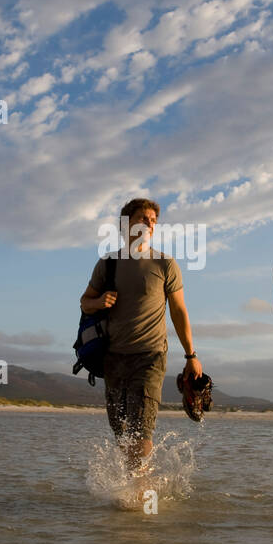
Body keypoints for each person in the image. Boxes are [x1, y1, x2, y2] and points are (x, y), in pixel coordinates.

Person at [81, 198, 201, 471]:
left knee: (142, 428)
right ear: (126, 224)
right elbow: (85, 302)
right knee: (122, 431)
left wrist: (191, 355)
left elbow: (179, 312)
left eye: (153, 220)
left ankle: (139, 491)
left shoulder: (164, 264)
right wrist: (99, 303)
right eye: (143, 218)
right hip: (113, 357)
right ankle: (131, 486)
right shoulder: (108, 264)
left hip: (150, 356)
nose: (150, 223)